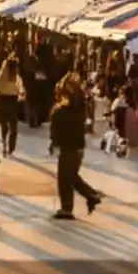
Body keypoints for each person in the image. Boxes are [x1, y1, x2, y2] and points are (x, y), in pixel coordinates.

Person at [49, 77, 104, 220]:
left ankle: (69, 207)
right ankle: (90, 196)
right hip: (76, 147)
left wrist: (54, 141)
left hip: (70, 147)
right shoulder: (77, 108)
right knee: (70, 176)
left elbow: (60, 127)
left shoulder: (67, 111)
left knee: (65, 177)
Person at [0, 57, 23, 156]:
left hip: (7, 100)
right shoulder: (7, 75)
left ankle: (8, 145)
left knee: (7, 126)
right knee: (9, 126)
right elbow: (0, 87)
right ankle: (8, 145)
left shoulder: (14, 76)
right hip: (6, 100)